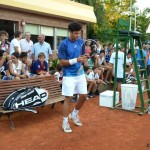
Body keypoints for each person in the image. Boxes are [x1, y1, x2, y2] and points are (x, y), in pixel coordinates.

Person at [58, 21, 88, 133]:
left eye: (79, 33)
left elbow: (83, 57)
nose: (78, 35)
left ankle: (74, 114)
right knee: (68, 98)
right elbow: (61, 62)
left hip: (80, 73)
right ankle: (65, 122)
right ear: (70, 32)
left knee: (84, 96)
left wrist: (84, 59)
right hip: (69, 75)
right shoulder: (63, 44)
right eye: (76, 33)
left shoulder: (81, 42)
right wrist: (76, 60)